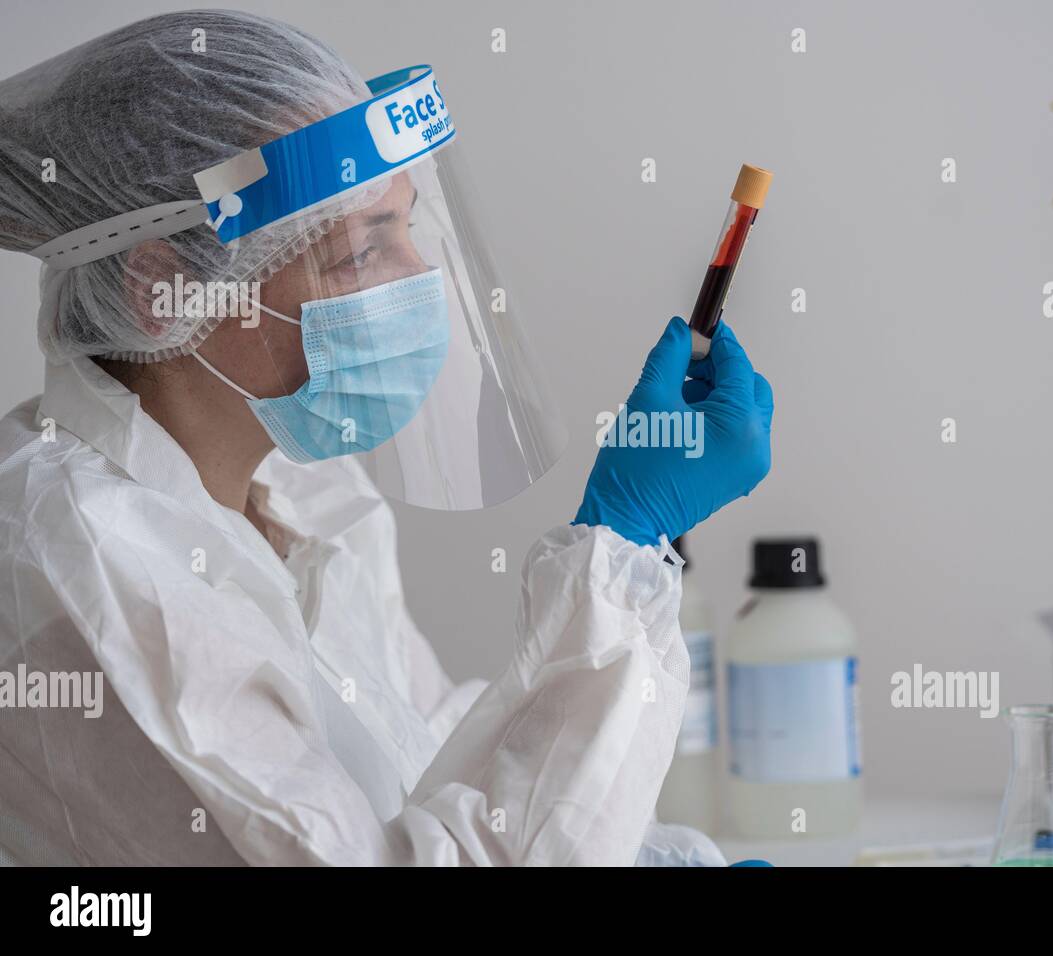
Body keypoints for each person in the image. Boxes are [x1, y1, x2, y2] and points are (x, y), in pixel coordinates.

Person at [0, 11, 773, 866]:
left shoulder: (306, 496)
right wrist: (623, 549)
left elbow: (431, 766)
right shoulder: (86, 564)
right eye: (358, 253)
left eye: (408, 226)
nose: (421, 278)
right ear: (167, 291)